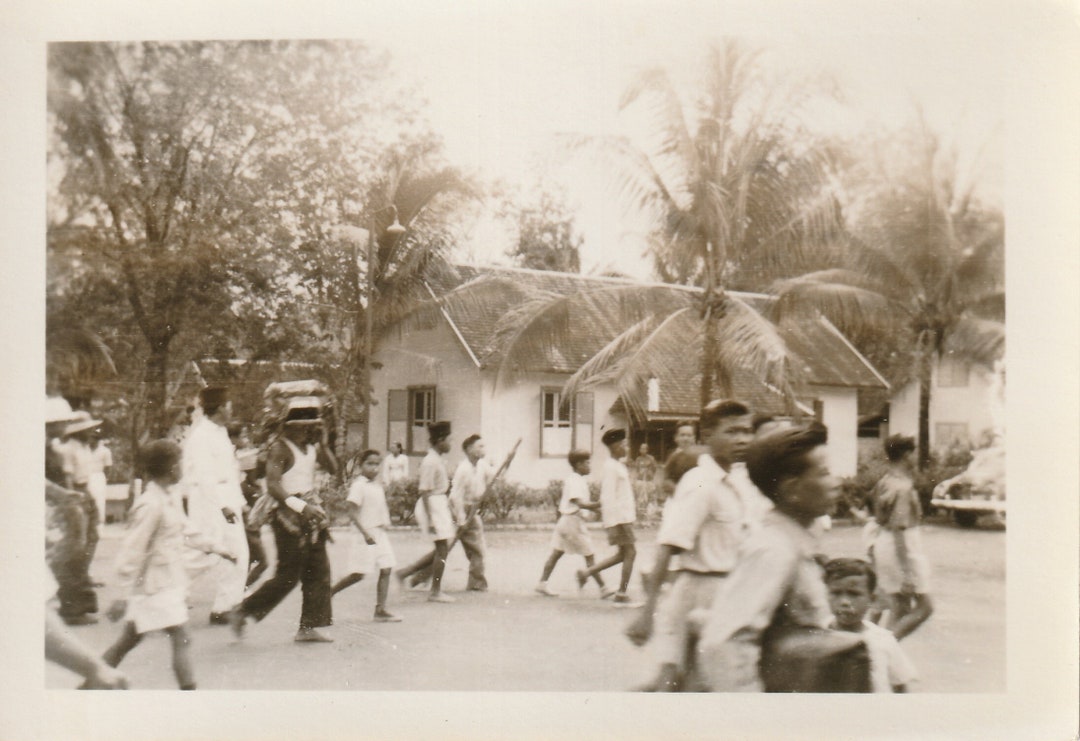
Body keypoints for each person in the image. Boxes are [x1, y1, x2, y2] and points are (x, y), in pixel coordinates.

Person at [695, 423, 869, 692]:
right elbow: (724, 642)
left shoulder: (795, 542)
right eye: (824, 473)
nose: (836, 483)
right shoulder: (774, 548)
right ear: (792, 489)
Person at [625, 400, 757, 692]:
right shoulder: (700, 483)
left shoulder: (739, 481)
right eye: (732, 431)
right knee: (680, 688)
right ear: (707, 435)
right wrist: (648, 612)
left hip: (730, 594)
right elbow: (669, 546)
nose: (743, 439)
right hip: (697, 593)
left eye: (747, 431)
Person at [101, 440, 236, 690]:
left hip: (166, 584)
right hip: (153, 587)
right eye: (180, 463)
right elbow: (132, 550)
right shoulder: (150, 504)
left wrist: (219, 548)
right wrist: (121, 594)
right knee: (181, 637)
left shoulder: (168, 497)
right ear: (172, 468)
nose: (182, 469)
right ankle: (189, 694)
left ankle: (89, 684)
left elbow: (187, 531)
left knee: (128, 641)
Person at [231, 402, 339, 642]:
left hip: (311, 513)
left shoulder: (311, 448)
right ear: (288, 428)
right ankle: (243, 610)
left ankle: (308, 627)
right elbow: (273, 485)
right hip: (287, 514)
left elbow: (333, 468)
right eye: (302, 427)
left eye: (311, 428)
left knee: (319, 570)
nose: (306, 432)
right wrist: (301, 506)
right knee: (288, 575)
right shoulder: (280, 449)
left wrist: (323, 444)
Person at [181, 386, 249, 625]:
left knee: (238, 553)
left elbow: (229, 473)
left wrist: (239, 503)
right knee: (201, 555)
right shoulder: (201, 436)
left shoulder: (220, 433)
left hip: (226, 498)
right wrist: (222, 506)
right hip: (209, 501)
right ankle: (163, 594)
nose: (231, 409)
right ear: (220, 408)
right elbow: (203, 475)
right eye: (228, 405)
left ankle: (224, 607)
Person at [870, 434, 934, 640]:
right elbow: (899, 529)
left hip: (884, 542)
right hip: (902, 545)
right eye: (912, 454)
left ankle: (880, 653)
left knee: (900, 607)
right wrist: (907, 571)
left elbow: (878, 517)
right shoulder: (903, 487)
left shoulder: (885, 482)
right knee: (924, 607)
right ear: (907, 455)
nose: (914, 458)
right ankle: (879, 651)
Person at [823, 558, 917, 692]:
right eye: (836, 593)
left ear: (871, 599)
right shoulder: (817, 632)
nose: (844, 602)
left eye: (854, 594)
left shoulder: (882, 640)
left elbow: (899, 686)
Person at [331, 450, 402, 623]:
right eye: (369, 463)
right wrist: (365, 534)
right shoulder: (359, 485)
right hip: (365, 534)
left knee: (386, 567)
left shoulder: (376, 485)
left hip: (379, 533)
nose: (374, 468)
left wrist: (384, 524)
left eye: (377, 464)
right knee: (359, 574)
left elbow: (378, 508)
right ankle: (329, 593)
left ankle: (381, 609)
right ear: (361, 466)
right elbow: (351, 511)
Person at [46, 398, 98, 625]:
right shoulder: (52, 449)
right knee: (69, 554)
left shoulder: (52, 447)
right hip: (60, 503)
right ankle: (70, 608)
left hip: (66, 500)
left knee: (77, 551)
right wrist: (68, 499)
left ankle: (75, 605)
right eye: (61, 422)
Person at [395, 421, 456, 603]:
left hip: (438, 503)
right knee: (442, 548)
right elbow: (425, 490)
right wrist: (430, 519)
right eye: (448, 441)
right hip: (432, 505)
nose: (451, 444)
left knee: (441, 548)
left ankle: (405, 572)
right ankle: (435, 591)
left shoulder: (437, 459)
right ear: (440, 440)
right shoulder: (430, 462)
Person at [535, 450, 610, 598]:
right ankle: (603, 588)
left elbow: (582, 505)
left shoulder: (577, 479)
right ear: (579, 465)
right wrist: (598, 505)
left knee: (556, 553)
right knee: (589, 555)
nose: (590, 466)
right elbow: (579, 503)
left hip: (566, 521)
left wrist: (597, 509)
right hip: (572, 523)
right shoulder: (575, 480)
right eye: (587, 463)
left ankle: (542, 583)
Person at [576, 428, 637, 604]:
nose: (626, 447)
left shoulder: (618, 465)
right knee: (631, 553)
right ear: (615, 446)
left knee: (622, 554)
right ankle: (622, 593)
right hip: (620, 519)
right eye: (623, 444)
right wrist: (613, 523)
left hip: (624, 517)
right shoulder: (611, 467)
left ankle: (586, 573)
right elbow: (608, 497)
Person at [60, 412, 104, 579]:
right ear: (78, 430)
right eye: (88, 429)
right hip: (76, 491)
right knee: (81, 536)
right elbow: (68, 476)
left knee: (93, 534)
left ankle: (84, 573)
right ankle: (77, 576)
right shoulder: (68, 448)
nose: (92, 431)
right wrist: (73, 500)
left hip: (87, 490)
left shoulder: (85, 447)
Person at [87, 429, 112, 525]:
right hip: (87, 476)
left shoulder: (105, 451)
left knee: (99, 499)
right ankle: (89, 522)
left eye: (93, 438)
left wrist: (105, 479)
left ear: (97, 439)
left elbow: (108, 467)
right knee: (89, 498)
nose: (90, 440)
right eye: (90, 438)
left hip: (98, 476)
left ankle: (99, 522)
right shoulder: (85, 449)